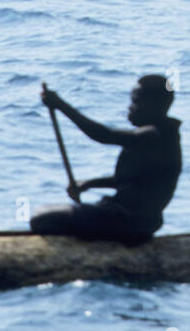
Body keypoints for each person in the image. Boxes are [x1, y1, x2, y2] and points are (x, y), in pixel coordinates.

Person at [30, 77, 182, 243]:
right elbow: (129, 180)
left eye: (135, 102)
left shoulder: (152, 136)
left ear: (155, 105)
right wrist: (88, 184)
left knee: (40, 217)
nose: (129, 108)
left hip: (125, 220)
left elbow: (103, 135)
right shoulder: (163, 136)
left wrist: (61, 105)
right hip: (139, 222)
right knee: (51, 214)